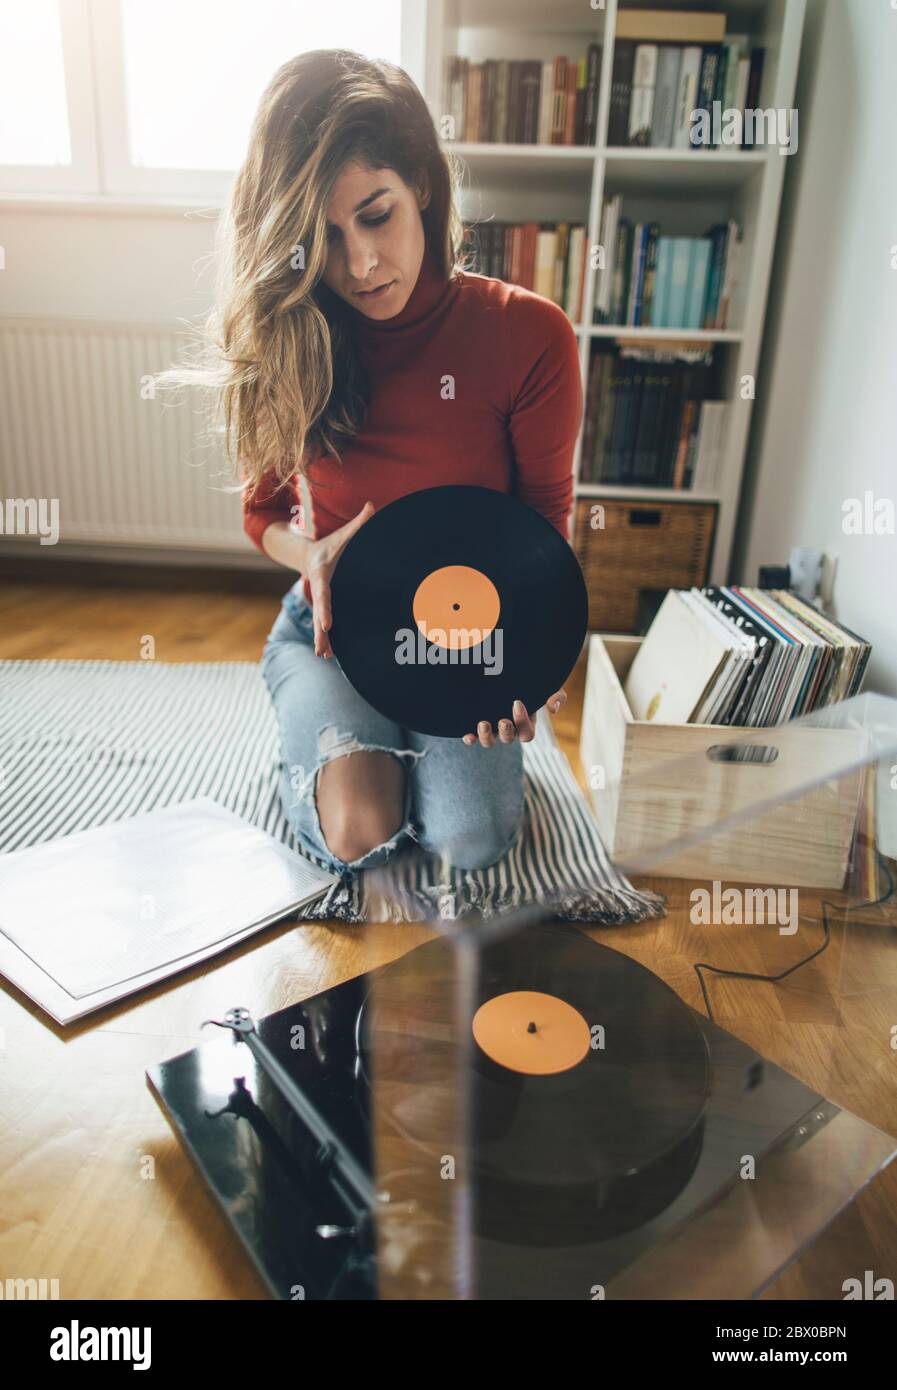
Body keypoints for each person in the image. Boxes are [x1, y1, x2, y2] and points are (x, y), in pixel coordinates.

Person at [191, 49, 582, 876]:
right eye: (323, 238)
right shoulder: (294, 333)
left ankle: (393, 754)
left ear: (423, 188)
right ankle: (328, 749)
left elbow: (544, 518)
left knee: (469, 841)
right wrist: (311, 556)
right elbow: (262, 512)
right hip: (330, 637)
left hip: (465, 635)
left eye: (376, 215)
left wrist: (524, 660)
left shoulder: (528, 336)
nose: (360, 264)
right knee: (362, 834)